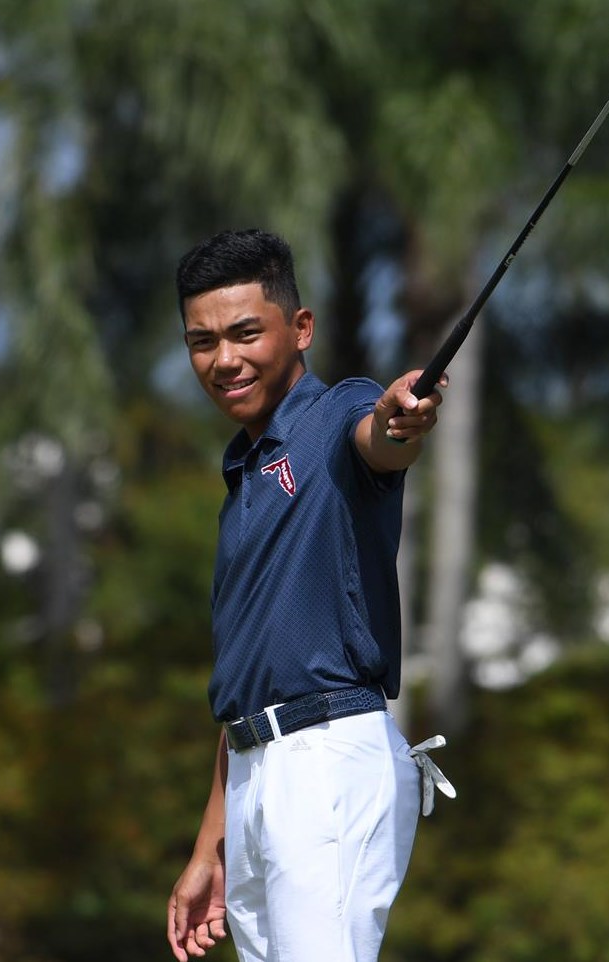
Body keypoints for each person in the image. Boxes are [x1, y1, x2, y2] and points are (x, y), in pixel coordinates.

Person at [165, 229, 454, 962]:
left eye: (244, 333)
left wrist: (400, 420)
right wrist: (213, 843)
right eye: (202, 341)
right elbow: (247, 683)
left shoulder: (334, 415)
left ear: (300, 330)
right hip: (258, 777)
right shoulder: (242, 478)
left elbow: (380, 436)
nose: (222, 359)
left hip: (325, 763)